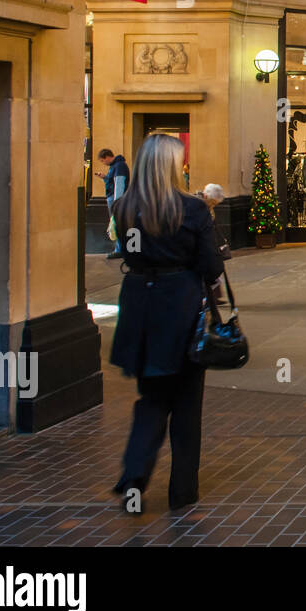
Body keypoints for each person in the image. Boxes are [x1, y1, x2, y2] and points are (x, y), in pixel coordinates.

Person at [110, 134, 224, 511]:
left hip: (141, 305)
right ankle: (182, 492)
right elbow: (211, 266)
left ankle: (133, 479)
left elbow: (128, 251)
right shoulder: (192, 209)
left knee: (152, 398)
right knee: (187, 405)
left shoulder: (125, 207)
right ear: (172, 166)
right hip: (181, 307)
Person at [97, 148, 130, 259]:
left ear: (107, 157)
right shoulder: (115, 166)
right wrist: (105, 178)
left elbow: (119, 185)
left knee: (117, 223)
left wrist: (117, 203)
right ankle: (120, 248)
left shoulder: (119, 166)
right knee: (116, 223)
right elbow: (113, 182)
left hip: (116, 200)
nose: (103, 163)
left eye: (102, 160)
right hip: (114, 199)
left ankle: (119, 249)